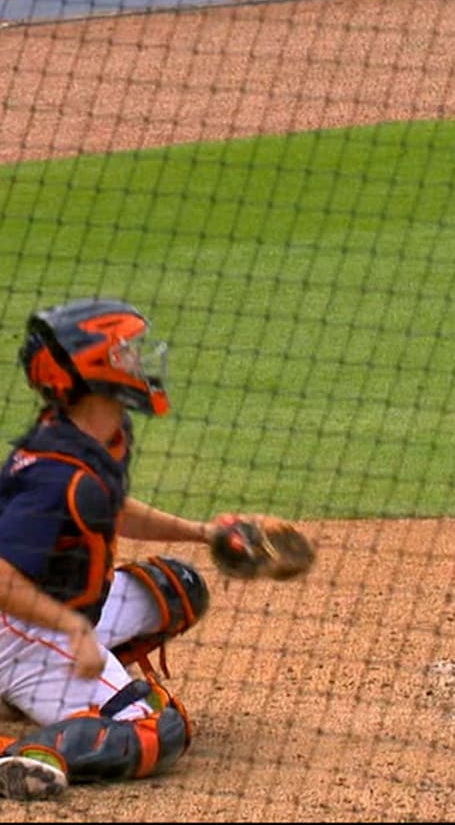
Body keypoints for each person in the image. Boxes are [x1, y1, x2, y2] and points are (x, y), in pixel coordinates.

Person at [0, 297, 281, 800]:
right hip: (21, 634)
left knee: (177, 588)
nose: (139, 359)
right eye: (124, 350)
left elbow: (108, 506)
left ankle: (47, 698)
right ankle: (19, 751)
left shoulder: (98, 435)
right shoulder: (49, 473)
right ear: (92, 367)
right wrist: (72, 632)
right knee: (158, 729)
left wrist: (203, 532)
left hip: (60, 612)